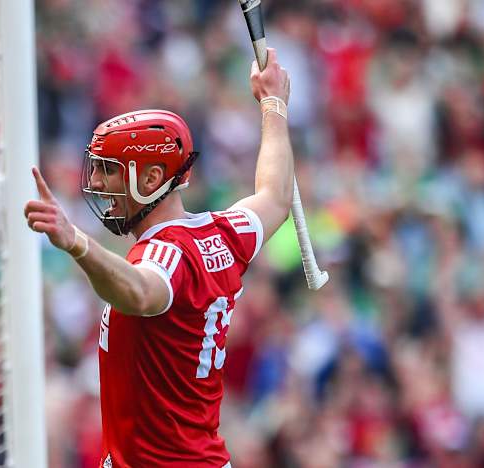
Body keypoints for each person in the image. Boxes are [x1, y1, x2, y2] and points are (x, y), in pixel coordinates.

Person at [25, 48, 294, 468]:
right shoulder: (225, 233)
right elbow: (275, 195)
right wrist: (273, 103)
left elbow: (139, 291)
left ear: (151, 179)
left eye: (108, 171)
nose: (95, 183)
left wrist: (75, 240)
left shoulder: (165, 254)